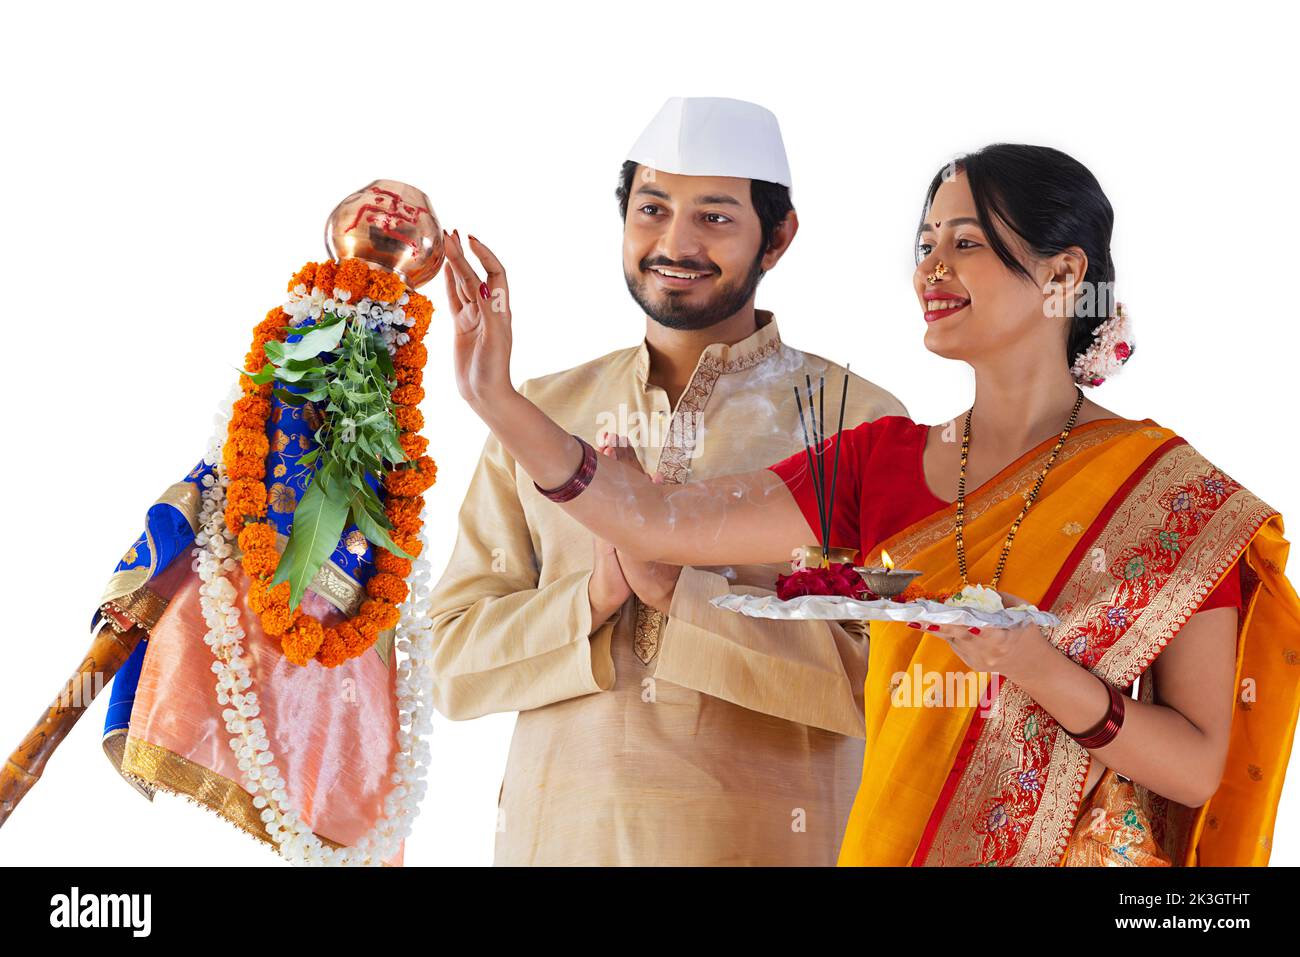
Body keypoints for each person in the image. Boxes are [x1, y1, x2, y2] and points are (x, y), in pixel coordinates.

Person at [441, 143, 1300, 866]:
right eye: (926, 241)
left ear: (1063, 272)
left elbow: (1195, 768)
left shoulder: (1167, 490)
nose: (930, 266)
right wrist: (500, 401)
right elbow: (654, 522)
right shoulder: (880, 462)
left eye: (965, 241)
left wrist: (1040, 669)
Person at [426, 97, 907, 866]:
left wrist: (680, 589)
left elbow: (884, 679)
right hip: (560, 842)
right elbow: (449, 662)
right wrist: (595, 596)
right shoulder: (541, 415)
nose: (674, 242)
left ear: (777, 237)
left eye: (715, 217)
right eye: (652, 209)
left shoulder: (858, 421)